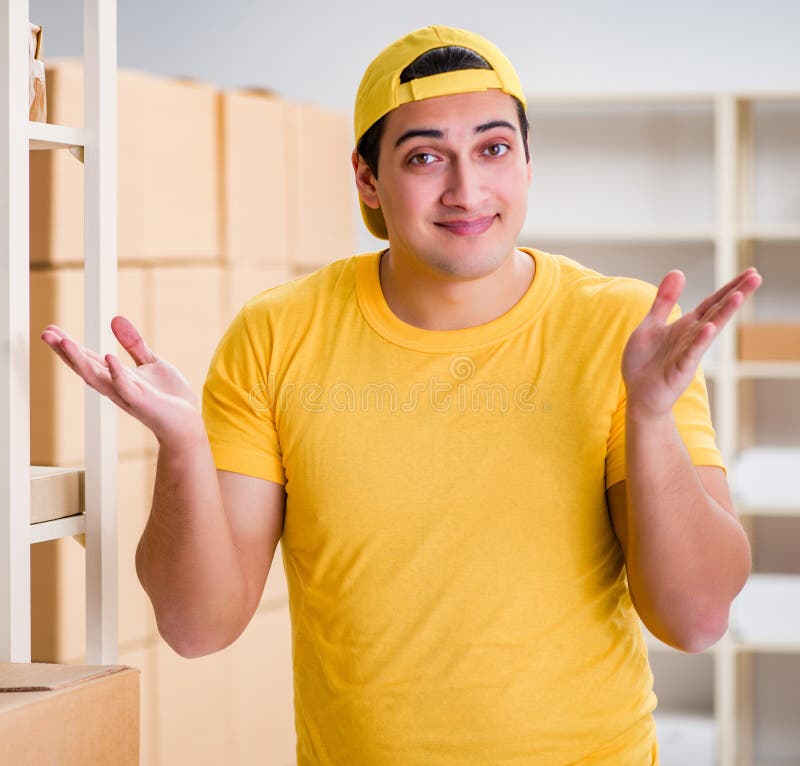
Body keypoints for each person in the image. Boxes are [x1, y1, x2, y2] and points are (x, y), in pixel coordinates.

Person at [42, 24, 761, 766]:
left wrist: (649, 418)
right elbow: (198, 628)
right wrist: (184, 447)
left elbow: (698, 618)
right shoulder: (278, 334)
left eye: (493, 149)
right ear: (367, 180)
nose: (466, 189)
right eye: (425, 157)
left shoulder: (627, 330)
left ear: (526, 161)